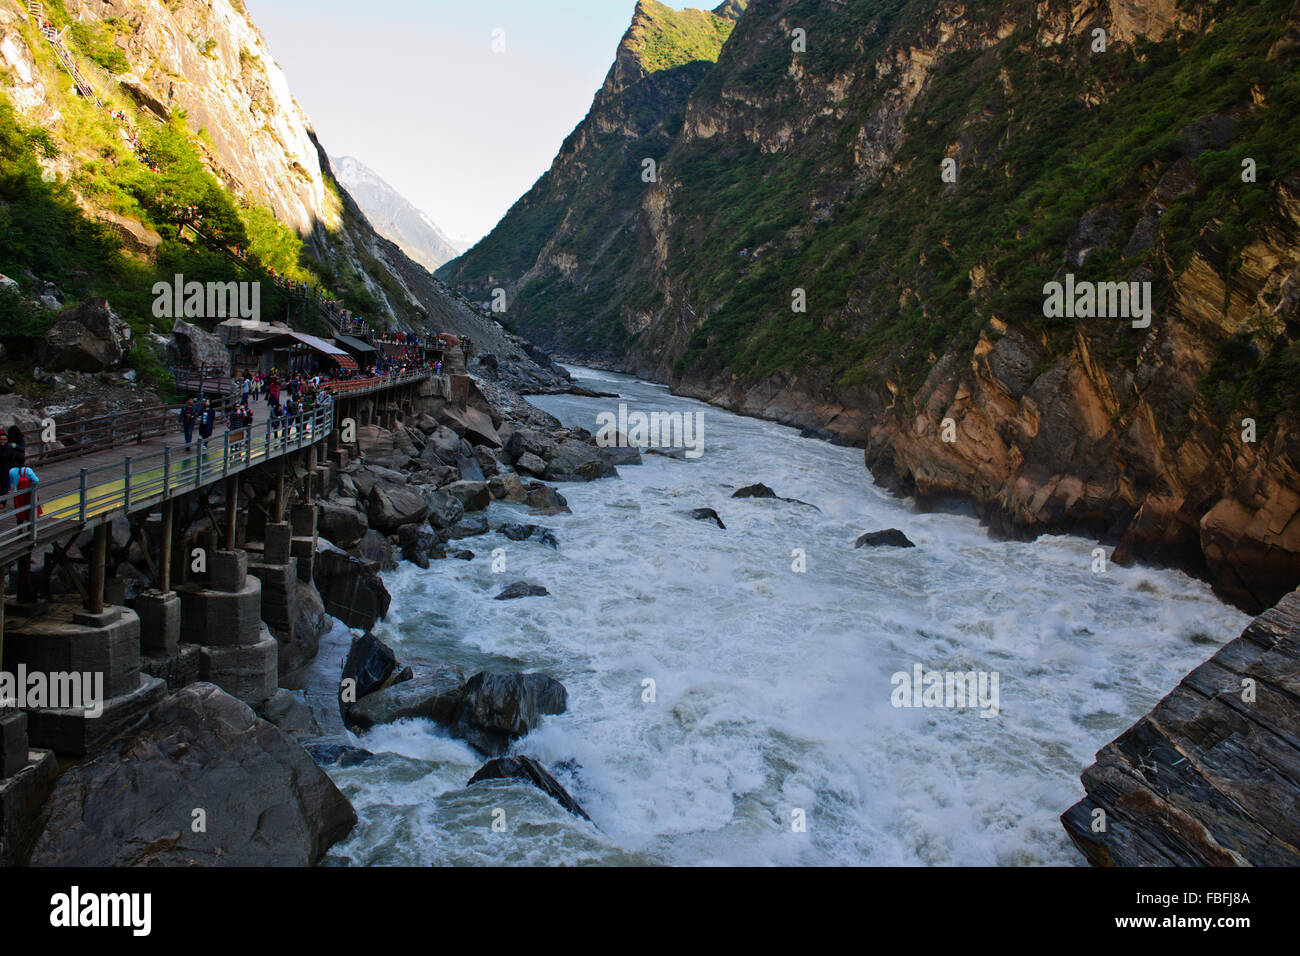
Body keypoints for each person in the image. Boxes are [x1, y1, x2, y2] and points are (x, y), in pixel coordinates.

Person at [10, 461, 39, 525]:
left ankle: (19, 530)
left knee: (20, 512)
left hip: (18, 494)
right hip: (28, 494)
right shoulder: (28, 470)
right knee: (29, 511)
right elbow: (36, 480)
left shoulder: (11, 471)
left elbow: (12, 482)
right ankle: (29, 530)